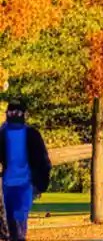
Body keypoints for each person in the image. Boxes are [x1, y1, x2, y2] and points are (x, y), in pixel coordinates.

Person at [0, 102, 50, 241]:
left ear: (24, 114)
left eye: (17, 113)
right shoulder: (3, 134)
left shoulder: (32, 135)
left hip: (26, 184)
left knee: (20, 216)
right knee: (12, 222)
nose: (14, 115)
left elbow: (43, 160)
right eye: (11, 113)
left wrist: (41, 184)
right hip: (8, 183)